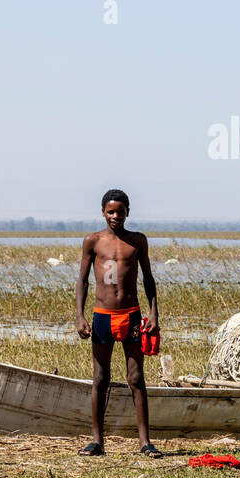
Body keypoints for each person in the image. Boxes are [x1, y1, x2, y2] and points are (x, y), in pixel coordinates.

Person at [74, 188, 161, 457]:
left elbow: (148, 278)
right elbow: (82, 280)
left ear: (127, 213)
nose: (115, 216)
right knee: (100, 378)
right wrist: (80, 315)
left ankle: (145, 443)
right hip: (102, 317)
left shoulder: (137, 241)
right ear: (103, 212)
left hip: (132, 316)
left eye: (120, 212)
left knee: (136, 378)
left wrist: (154, 313)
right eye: (110, 211)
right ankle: (97, 442)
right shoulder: (93, 241)